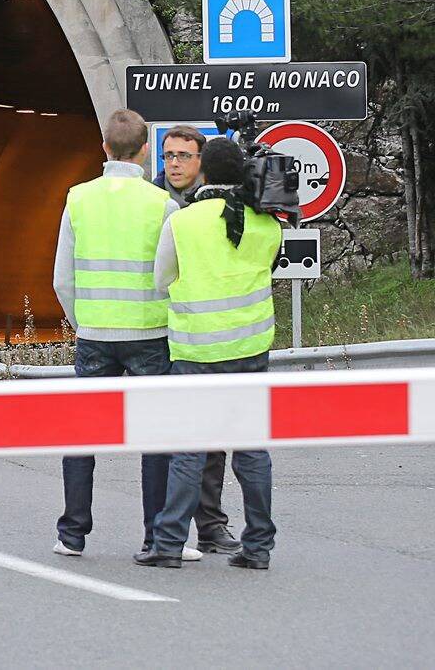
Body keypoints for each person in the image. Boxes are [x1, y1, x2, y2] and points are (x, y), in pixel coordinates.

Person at [144, 135, 281, 571]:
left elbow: (161, 280)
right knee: (252, 449)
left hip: (196, 350)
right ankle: (258, 547)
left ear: (203, 171)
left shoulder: (182, 222)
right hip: (250, 348)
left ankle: (169, 544)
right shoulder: (267, 223)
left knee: (189, 449)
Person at [50, 107, 176, 562]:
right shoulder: (163, 205)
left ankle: (72, 533)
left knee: (83, 434)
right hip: (150, 333)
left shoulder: (78, 199)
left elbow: (62, 279)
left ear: (104, 147)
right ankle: (156, 534)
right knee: (155, 438)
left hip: (95, 334)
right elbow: (170, 275)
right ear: (144, 151)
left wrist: (81, 321)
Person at [157, 125, 240, 556]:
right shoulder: (156, 202)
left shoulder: (223, 208)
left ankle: (210, 525)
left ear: (201, 162)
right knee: (170, 438)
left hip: (202, 337)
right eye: (168, 155)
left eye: (183, 156)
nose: (174, 163)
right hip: (159, 333)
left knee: (210, 438)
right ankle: (162, 530)